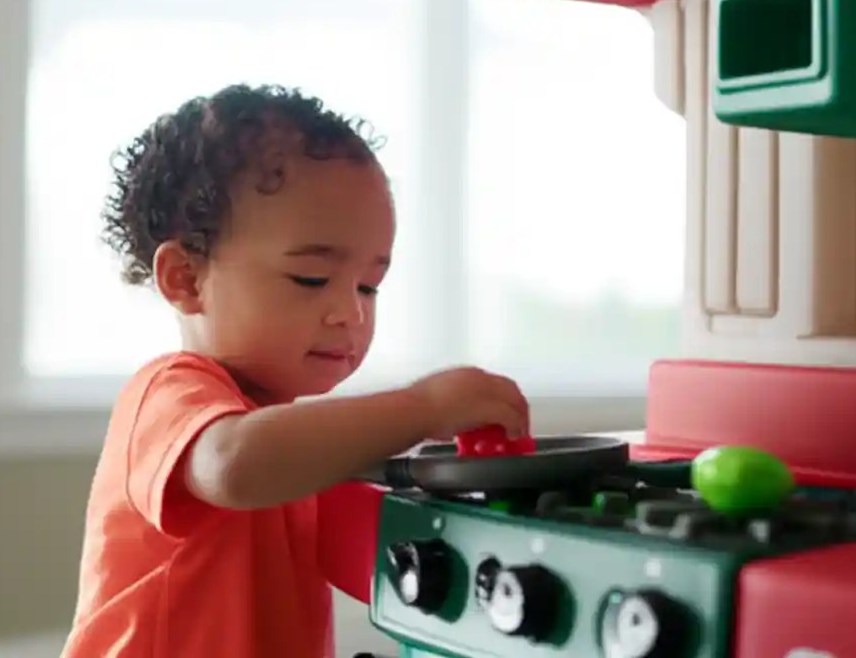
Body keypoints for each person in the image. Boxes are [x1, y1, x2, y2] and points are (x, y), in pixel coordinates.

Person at [60, 84, 531, 657]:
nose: (351, 313)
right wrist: (422, 407)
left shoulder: (288, 438)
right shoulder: (169, 393)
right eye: (311, 279)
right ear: (186, 278)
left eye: (369, 285)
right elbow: (234, 464)